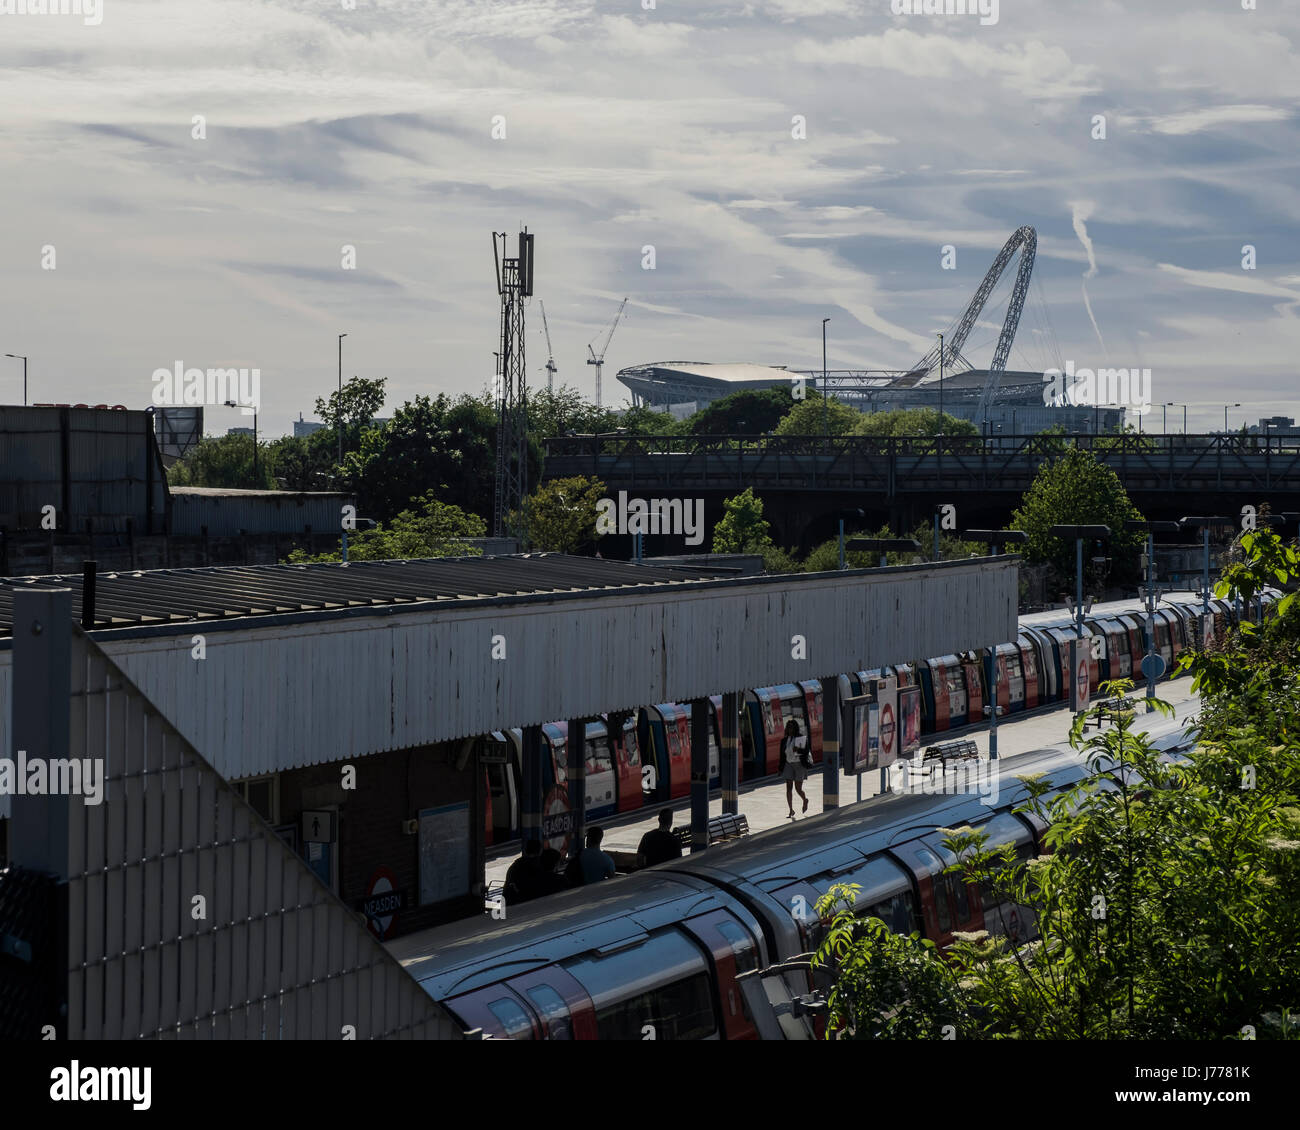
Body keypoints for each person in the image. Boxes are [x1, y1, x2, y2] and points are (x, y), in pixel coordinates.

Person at [780, 720, 810, 818]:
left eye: (791, 727)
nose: (789, 729)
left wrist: (798, 749)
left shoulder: (800, 738)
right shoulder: (784, 740)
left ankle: (805, 800)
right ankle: (791, 810)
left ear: (795, 728)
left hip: (799, 765)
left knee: (798, 788)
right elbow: (782, 756)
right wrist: (780, 768)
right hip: (788, 764)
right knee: (788, 788)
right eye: (788, 727)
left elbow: (805, 751)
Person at [504, 838, 544, 905]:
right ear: (540, 850)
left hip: (510, 900)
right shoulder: (538, 864)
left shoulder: (516, 864)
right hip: (525, 901)